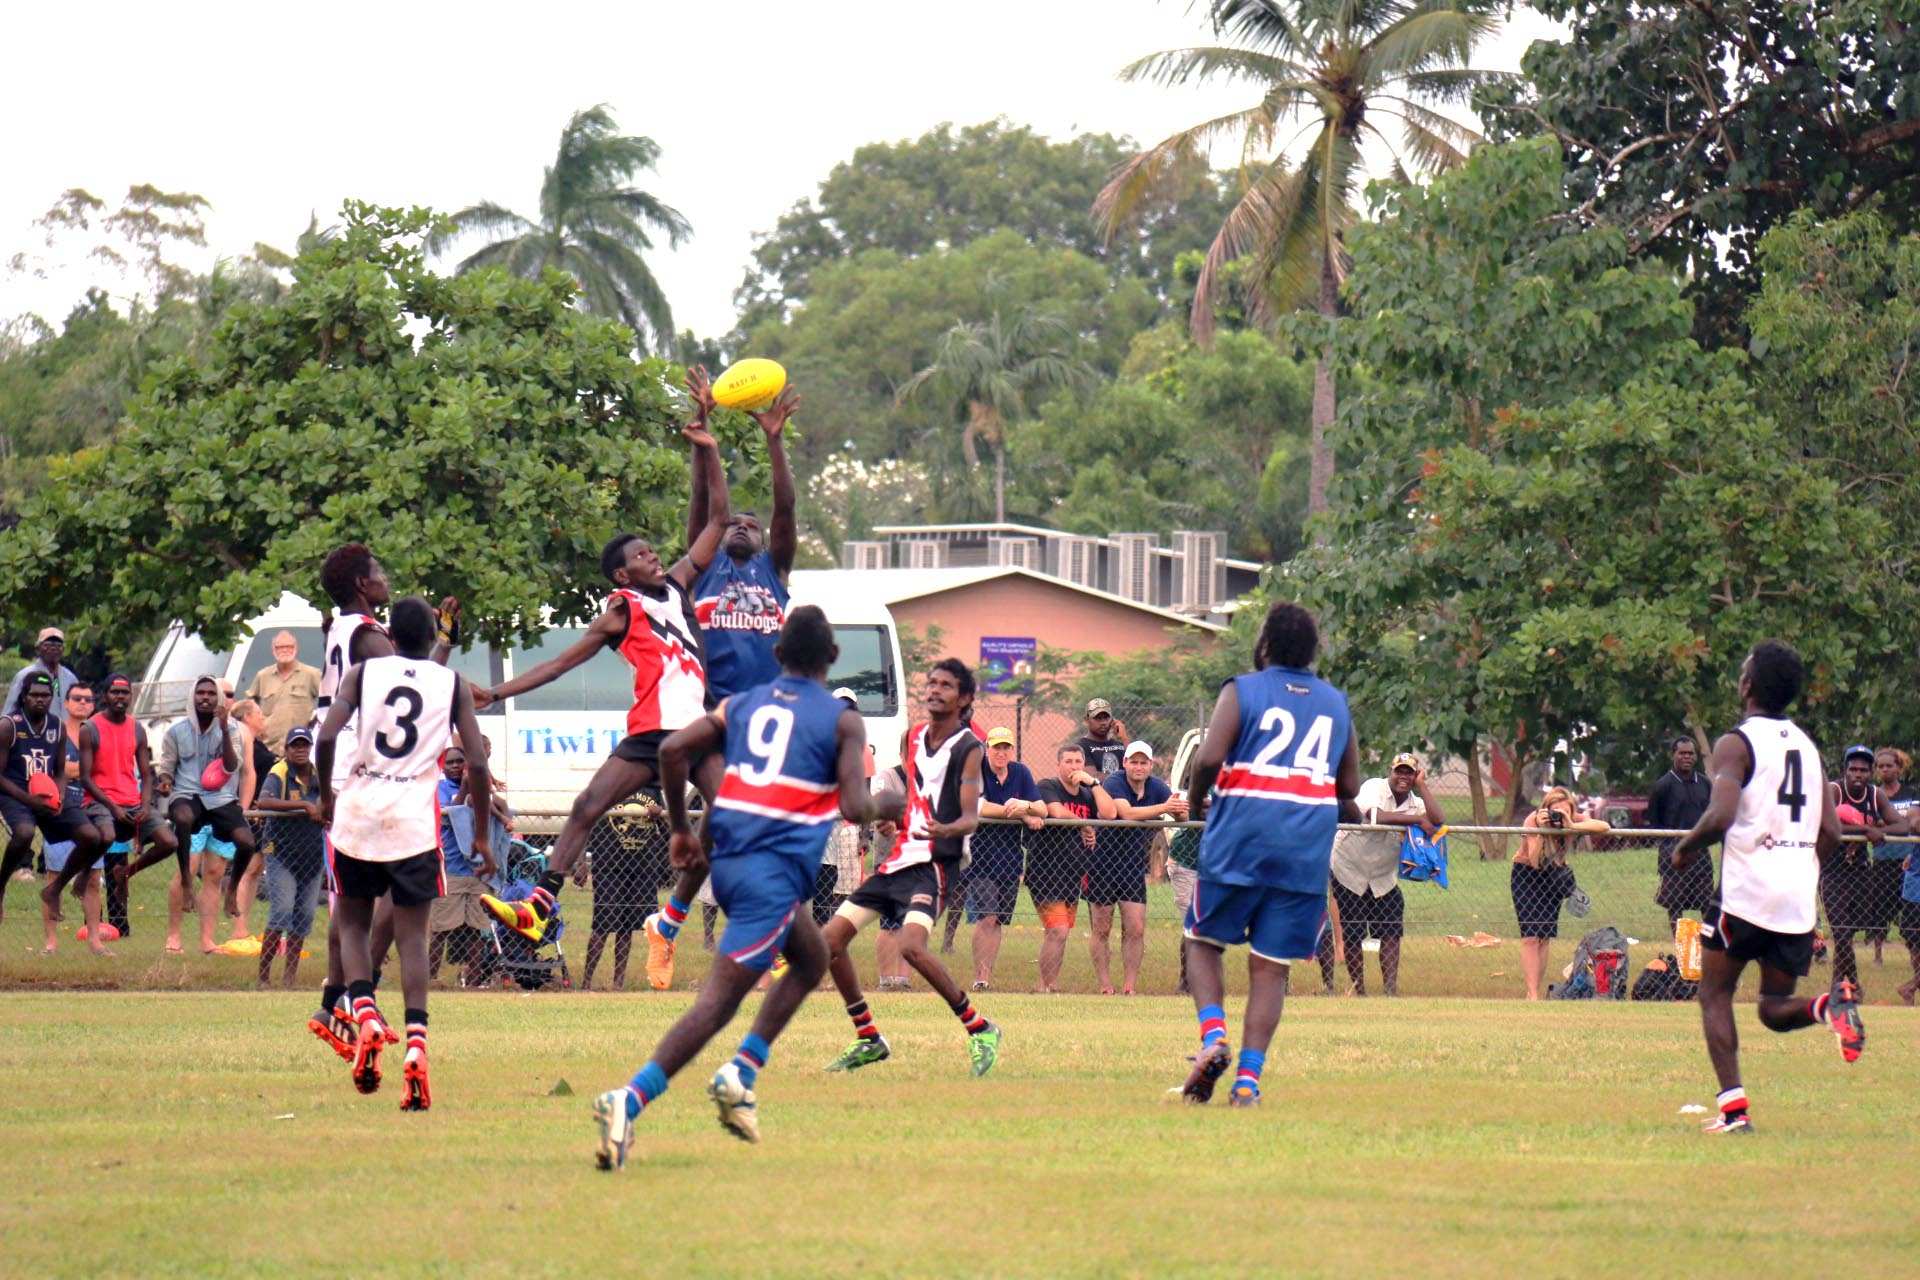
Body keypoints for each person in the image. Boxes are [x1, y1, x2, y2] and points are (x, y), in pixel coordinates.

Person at [591, 607, 894, 1167]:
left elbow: (670, 749)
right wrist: (888, 804)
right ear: (831, 658)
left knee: (810, 956)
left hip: (728, 857)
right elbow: (856, 806)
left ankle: (741, 1072)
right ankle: (627, 1100)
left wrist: (682, 830)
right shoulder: (842, 720)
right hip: (770, 872)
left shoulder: (742, 703)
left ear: (777, 655)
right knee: (717, 1003)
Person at [479, 373, 729, 955]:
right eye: (642, 555)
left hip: (698, 732)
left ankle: (696, 912)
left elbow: (717, 520)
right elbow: (561, 664)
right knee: (588, 806)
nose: (654, 555)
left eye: (651, 549)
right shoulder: (622, 609)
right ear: (622, 575)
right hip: (648, 736)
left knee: (736, 812)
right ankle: (539, 908)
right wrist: (497, 692)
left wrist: (707, 443)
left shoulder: (679, 586)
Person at [1670, 640, 1864, 1136]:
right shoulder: (1808, 747)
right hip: (1796, 901)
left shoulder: (1737, 742)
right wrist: (1797, 865)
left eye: (1743, 671)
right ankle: (1829, 1005)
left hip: (1744, 894)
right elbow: (1833, 834)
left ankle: (1734, 1113)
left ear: (1748, 685)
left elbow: (1721, 814)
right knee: (1773, 1010)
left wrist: (1686, 847)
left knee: (1714, 993)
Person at [1179, 601, 1361, 1106]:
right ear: (1312, 650)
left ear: (1264, 645)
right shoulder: (1335, 702)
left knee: (1202, 941)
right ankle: (1247, 1083)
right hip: (1304, 845)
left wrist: (1197, 805)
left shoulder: (1243, 690)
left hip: (1241, 835)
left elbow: (1210, 757)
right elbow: (1349, 783)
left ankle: (1214, 1037)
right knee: (1271, 968)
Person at [319, 596, 491, 1111]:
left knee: (352, 924)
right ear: (429, 637)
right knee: (413, 936)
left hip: (359, 811)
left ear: (390, 634)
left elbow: (327, 733)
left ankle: (365, 1013)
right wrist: (481, 834)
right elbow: (477, 763)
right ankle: (416, 1043)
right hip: (414, 822)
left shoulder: (366, 672)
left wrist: (325, 796)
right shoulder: (452, 682)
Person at [821, 659, 1001, 1076]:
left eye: (946, 685)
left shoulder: (969, 748)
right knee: (828, 942)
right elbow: (918, 798)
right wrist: (895, 820)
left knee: (911, 947)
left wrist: (947, 827)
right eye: (931, 682)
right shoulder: (914, 737)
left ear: (965, 698)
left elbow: (970, 815)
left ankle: (980, 1028)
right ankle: (868, 1037)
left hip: (934, 864)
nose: (935, 689)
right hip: (899, 858)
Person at [689, 379, 798, 701]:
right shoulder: (704, 563)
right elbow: (700, 495)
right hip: (711, 705)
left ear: (763, 541)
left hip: (767, 703)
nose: (740, 528)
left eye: (750, 526)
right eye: (732, 523)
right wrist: (702, 428)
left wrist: (774, 440)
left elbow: (785, 508)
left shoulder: (772, 567)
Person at [1321, 752, 1441, 997]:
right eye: (1400, 771)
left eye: (1410, 772)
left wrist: (1422, 786)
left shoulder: (1415, 801)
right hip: (1349, 868)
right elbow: (1375, 816)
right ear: (1391, 771)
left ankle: (1390, 990)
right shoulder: (1373, 787)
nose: (1403, 777)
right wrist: (1417, 820)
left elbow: (1438, 820)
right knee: (1354, 931)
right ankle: (1360, 990)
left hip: (1382, 876)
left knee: (1391, 929)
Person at [154, 677, 255, 954]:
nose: (206, 698)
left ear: (220, 700)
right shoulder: (177, 731)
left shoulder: (233, 729)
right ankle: (175, 932)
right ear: (193, 697)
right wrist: (164, 781)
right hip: (188, 796)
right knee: (187, 854)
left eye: (212, 693)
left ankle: (212, 930)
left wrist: (222, 728)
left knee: (219, 868)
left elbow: (234, 766)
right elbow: (166, 766)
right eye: (201, 693)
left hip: (221, 800)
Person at [0, 672, 106, 927]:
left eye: (45, 696)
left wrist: (57, 795)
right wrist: (28, 798)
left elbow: (60, 771)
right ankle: (1, 885)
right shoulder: (8, 726)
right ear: (24, 696)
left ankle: (54, 889)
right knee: (24, 833)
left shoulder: (56, 726)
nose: (40, 700)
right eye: (35, 695)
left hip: (47, 792)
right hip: (15, 793)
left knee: (92, 837)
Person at [82, 674, 176, 939]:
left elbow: (147, 775)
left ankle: (126, 873)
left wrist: (146, 804)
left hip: (133, 802)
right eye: (115, 692)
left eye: (125, 693)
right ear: (105, 696)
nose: (120, 697)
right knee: (107, 838)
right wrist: (112, 807)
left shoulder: (137, 728)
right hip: (100, 803)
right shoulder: (90, 728)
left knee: (168, 841)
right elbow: (87, 779)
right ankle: (85, 893)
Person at [1096, 742, 1188, 995]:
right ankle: (1105, 984)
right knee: (1102, 928)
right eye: (1133, 762)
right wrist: (1164, 808)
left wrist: (1179, 811)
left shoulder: (1157, 787)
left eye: (1143, 762)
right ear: (1125, 763)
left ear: (1150, 765)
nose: (1138, 767)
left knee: (1135, 928)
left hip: (1133, 866)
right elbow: (1126, 814)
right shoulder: (1114, 782)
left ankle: (1129, 986)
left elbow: (1180, 816)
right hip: (1101, 863)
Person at [1033, 744, 1118, 993]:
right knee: (1057, 930)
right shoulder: (1048, 786)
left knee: (1059, 933)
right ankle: (1047, 985)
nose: (1073, 767)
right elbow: (1057, 812)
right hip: (1046, 872)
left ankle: (1047, 986)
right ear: (1059, 764)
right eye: (1068, 761)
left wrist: (1093, 784)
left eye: (1078, 762)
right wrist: (1084, 824)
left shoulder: (1087, 793)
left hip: (1073, 875)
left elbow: (1110, 813)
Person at [1510, 786, 1608, 999]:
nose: (1558, 816)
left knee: (1544, 936)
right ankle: (1533, 994)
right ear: (1546, 808)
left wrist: (1571, 824)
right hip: (1527, 874)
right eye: (1555, 811)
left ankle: (1533, 990)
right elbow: (1535, 861)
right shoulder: (1534, 820)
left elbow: (1604, 825)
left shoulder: (1570, 819)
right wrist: (1543, 831)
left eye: (1563, 811)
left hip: (1553, 876)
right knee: (1530, 936)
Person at [968, 725, 1043, 991]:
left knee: (997, 919)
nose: (1001, 752)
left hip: (1010, 858)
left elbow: (1041, 808)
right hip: (979, 857)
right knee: (985, 916)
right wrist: (1022, 814)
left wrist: (1027, 806)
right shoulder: (976, 769)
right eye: (996, 747)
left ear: (1012, 750)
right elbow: (979, 807)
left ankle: (988, 973)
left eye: (1005, 747)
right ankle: (981, 976)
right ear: (987, 748)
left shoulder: (1021, 772)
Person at [1825, 743, 1905, 990]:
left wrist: (1878, 830)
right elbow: (1828, 824)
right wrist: (1864, 830)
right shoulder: (1834, 790)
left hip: (1860, 870)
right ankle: (1853, 985)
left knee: (1848, 934)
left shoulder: (1874, 794)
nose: (1857, 774)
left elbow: (1901, 826)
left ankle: (1840, 986)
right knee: (1840, 931)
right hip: (1831, 869)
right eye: (1853, 769)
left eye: (1863, 770)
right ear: (1845, 770)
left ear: (1870, 772)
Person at [254, 726, 325, 987]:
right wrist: (305, 805)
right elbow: (263, 802)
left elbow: (332, 798)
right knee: (282, 911)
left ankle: (289, 978)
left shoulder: (319, 774)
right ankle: (263, 977)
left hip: (312, 856)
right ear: (286, 750)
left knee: (304, 914)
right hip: (280, 852)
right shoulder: (279, 772)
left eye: (305, 745)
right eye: (295, 745)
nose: (300, 750)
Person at [580, 789, 668, 991]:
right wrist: (582, 861)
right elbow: (587, 821)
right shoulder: (614, 781)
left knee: (627, 927)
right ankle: (586, 983)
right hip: (609, 866)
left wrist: (660, 813)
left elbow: (668, 829)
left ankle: (617, 983)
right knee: (602, 925)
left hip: (640, 867)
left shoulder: (653, 788)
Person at [1648, 736, 1714, 931]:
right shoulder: (1663, 786)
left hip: (1700, 854)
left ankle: (1708, 948)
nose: (1687, 757)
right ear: (1673, 755)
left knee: (1707, 904)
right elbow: (1655, 821)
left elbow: (1711, 813)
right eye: (1682, 753)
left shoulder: (1704, 784)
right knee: (1675, 905)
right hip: (1673, 853)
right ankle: (1680, 950)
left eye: (1690, 753)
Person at [1867, 747, 1914, 965]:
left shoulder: (1911, 793)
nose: (1885, 770)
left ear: (1899, 768)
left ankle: (1913, 953)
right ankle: (1878, 955)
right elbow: (1870, 822)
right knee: (1880, 908)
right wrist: (1897, 823)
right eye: (1881, 766)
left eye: (1889, 765)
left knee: (1909, 909)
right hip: (1883, 859)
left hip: (1908, 862)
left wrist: (1886, 823)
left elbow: (1913, 823)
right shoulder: (1873, 794)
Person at [243, 630, 322, 756]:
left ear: (296, 648)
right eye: (280, 647)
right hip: (268, 750)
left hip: (299, 751)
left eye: (289, 646)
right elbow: (247, 708)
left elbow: (329, 703)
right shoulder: (262, 676)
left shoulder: (311, 674)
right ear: (273, 650)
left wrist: (314, 724)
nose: (285, 650)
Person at [5, 627, 80, 713]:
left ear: (63, 650)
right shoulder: (25, 676)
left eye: (58, 645)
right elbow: (10, 710)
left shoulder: (70, 678)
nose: (53, 648)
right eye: (47, 645)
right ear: (38, 649)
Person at [1077, 698, 1129, 778]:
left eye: (1106, 718)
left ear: (1112, 720)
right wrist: (1126, 779)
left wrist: (1124, 738)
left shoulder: (1120, 745)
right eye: (1098, 718)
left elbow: (1136, 768)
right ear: (1086, 720)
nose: (1103, 722)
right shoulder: (1081, 746)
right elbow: (1093, 777)